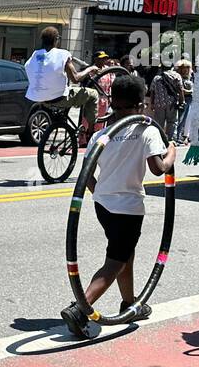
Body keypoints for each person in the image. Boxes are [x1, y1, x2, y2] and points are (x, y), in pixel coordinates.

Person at [61, 74, 176, 338]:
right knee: (115, 261)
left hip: (104, 204)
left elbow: (87, 173)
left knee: (125, 253)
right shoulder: (146, 131)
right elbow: (159, 169)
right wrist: (171, 152)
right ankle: (80, 307)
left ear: (113, 103)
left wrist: (100, 192)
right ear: (140, 105)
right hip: (128, 208)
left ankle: (130, 302)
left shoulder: (101, 135)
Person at [24, 27, 98, 140]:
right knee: (93, 94)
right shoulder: (63, 54)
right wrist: (90, 69)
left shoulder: (35, 55)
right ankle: (91, 130)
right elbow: (76, 79)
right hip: (60, 98)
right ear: (56, 40)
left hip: (40, 99)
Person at [149, 64, 184, 137]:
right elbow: (180, 90)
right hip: (172, 104)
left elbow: (152, 91)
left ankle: (158, 138)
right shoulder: (177, 76)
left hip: (159, 104)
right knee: (172, 122)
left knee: (159, 123)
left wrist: (152, 103)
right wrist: (182, 102)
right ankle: (170, 139)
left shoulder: (156, 78)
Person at [174, 59, 194, 143]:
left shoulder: (190, 77)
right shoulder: (178, 78)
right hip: (182, 99)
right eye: (183, 68)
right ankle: (176, 137)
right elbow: (182, 90)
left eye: (187, 68)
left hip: (189, 99)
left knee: (184, 120)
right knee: (179, 119)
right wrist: (192, 91)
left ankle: (179, 136)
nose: (185, 70)